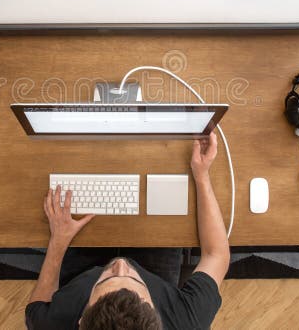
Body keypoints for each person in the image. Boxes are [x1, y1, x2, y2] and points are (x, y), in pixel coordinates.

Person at [26, 132, 230, 329]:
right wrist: (202, 175)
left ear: (81, 322)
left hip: (81, 275)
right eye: (132, 279)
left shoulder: (51, 325)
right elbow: (216, 255)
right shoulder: (188, 322)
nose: (121, 264)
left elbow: (37, 307)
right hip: (153, 271)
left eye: (107, 281)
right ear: (154, 313)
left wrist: (58, 241)